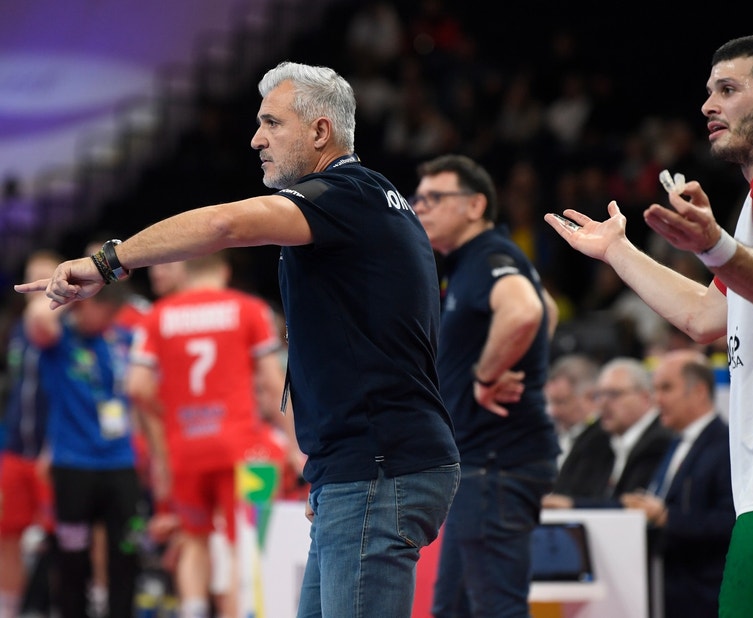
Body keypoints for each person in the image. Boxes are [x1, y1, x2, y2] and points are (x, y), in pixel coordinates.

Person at [16, 60, 461, 618]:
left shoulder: (345, 197)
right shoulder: (373, 202)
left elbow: (226, 226)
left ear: (320, 131)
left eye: (272, 123)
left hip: (373, 466)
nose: (255, 140)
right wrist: (324, 468)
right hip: (359, 465)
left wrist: (108, 261)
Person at [545, 34, 753, 615]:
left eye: (728, 89)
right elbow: (704, 316)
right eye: (708, 91)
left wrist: (712, 243)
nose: (708, 105)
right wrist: (619, 251)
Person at [412, 153, 559, 618]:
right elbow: (548, 309)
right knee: (452, 608)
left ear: (476, 205)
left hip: (497, 461)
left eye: (435, 197)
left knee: (497, 608)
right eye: (418, 198)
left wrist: (486, 374)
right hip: (483, 464)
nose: (420, 207)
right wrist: (524, 362)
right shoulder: (473, 261)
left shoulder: (487, 256)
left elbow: (526, 311)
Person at [125, 250, 293, 618]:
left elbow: (136, 386)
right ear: (225, 270)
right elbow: (271, 382)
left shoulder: (157, 316)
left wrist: (174, 411)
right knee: (246, 542)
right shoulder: (249, 309)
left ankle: (194, 610)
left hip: (185, 448)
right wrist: (296, 446)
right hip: (248, 451)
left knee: (194, 539)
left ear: (185, 270)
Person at [22, 254, 141, 618]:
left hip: (121, 463)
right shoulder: (60, 340)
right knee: (70, 555)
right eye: (99, 307)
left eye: (111, 309)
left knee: (126, 552)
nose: (106, 315)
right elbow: (38, 319)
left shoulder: (123, 340)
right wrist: (70, 293)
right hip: (73, 465)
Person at [621, 349, 734, 618]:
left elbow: (731, 522)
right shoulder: (674, 443)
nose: (657, 399)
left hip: (704, 596)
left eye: (666, 388)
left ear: (699, 391)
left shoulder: (726, 446)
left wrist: (665, 517)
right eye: (655, 389)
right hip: (669, 592)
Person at [0, 250, 62, 618]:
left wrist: (52, 447)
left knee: (57, 541)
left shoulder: (60, 328)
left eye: (43, 278)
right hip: (13, 450)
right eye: (30, 278)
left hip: (51, 451)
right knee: (7, 535)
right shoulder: (15, 328)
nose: (34, 287)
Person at [543, 356, 675, 510]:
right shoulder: (600, 440)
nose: (603, 404)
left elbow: (632, 504)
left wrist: (572, 504)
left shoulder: (659, 440)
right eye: (600, 395)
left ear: (645, 397)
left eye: (614, 394)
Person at [541, 353, 614, 503]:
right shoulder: (557, 437)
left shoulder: (601, 440)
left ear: (590, 396)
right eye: (549, 402)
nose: (553, 412)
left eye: (561, 402)